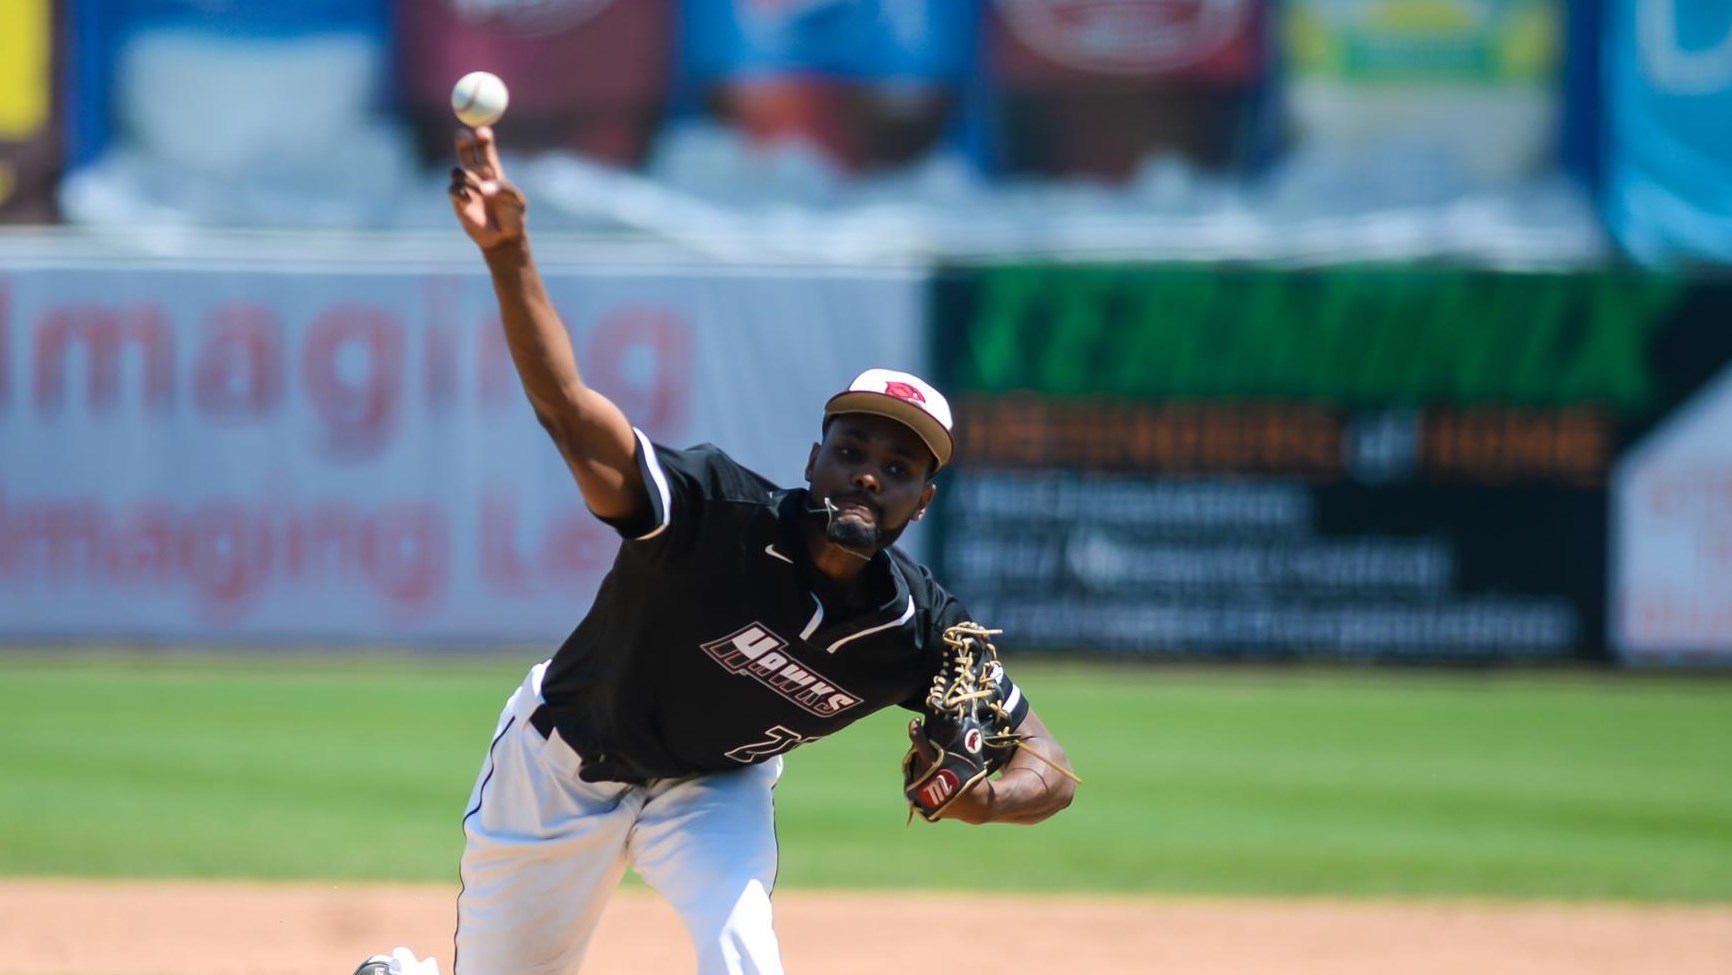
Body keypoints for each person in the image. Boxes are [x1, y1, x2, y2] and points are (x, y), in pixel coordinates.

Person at [368, 125, 1078, 975]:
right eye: (851, 450)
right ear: (814, 458)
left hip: (713, 788)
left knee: (743, 954)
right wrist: (510, 253)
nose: (865, 477)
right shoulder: (711, 513)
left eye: (896, 469)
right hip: (562, 767)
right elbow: (567, 409)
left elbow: (1054, 767)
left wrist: (986, 799)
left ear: (920, 503)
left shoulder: (918, 628)